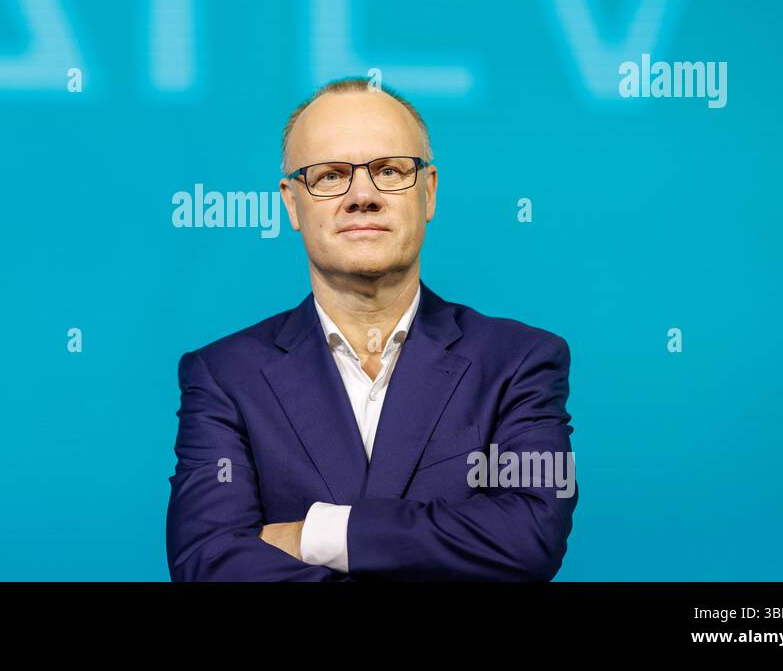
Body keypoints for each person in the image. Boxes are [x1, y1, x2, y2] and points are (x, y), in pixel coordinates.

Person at [166, 76, 577, 581]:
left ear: (428, 192)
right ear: (292, 203)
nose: (363, 195)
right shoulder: (223, 375)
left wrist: (314, 534)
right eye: (331, 175)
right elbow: (208, 563)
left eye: (389, 170)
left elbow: (528, 534)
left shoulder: (520, 360)